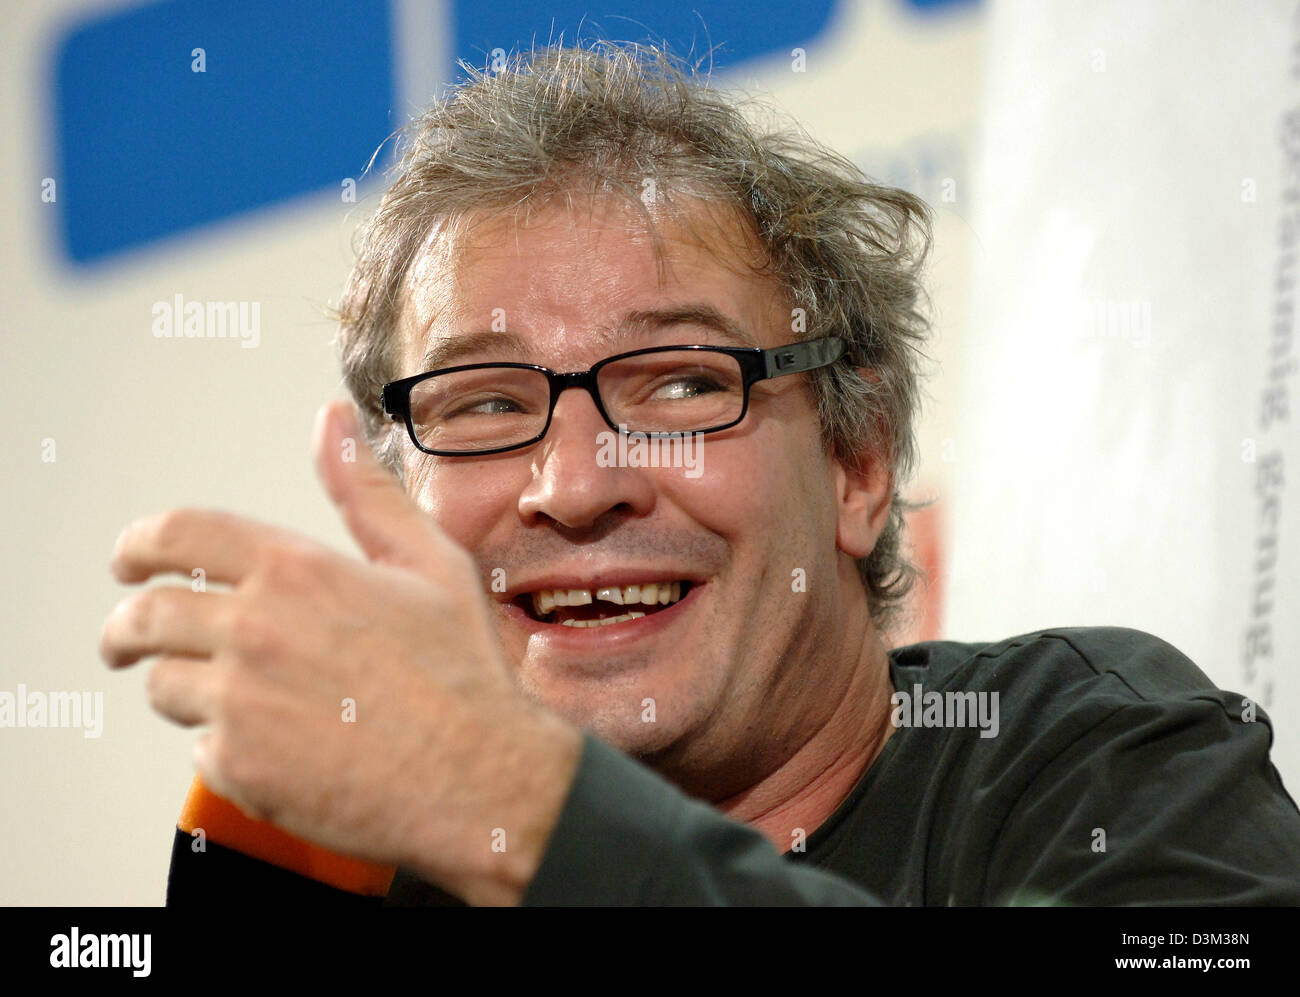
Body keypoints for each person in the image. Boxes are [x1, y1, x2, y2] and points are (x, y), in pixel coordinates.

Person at [101, 43, 1300, 906]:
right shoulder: (345, 865)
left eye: (678, 382)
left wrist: (521, 806)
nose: (573, 483)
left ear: (857, 462)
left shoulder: (1103, 754)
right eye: (486, 403)